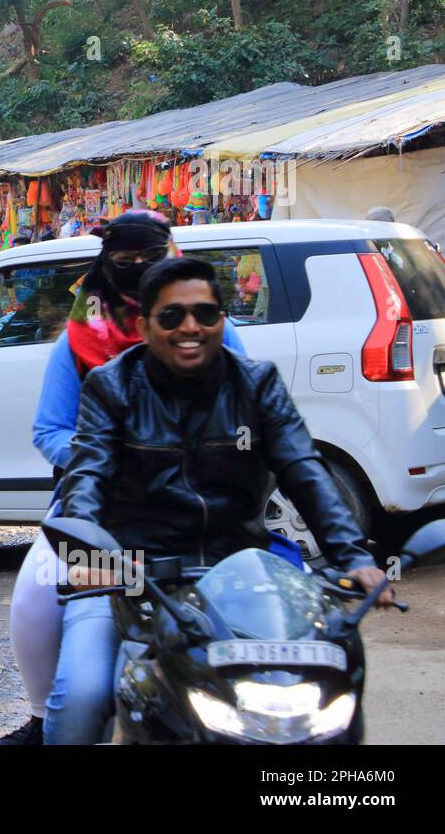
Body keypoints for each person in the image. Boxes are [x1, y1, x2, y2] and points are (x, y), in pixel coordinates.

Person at [44, 257, 390, 745]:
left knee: (318, 684)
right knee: (82, 694)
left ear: (222, 321)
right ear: (144, 326)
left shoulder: (257, 383)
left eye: (205, 314)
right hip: (137, 578)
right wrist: (88, 556)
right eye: (172, 316)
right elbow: (89, 475)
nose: (191, 327)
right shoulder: (112, 386)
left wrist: (353, 557)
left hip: (242, 576)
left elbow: (303, 468)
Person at [0, 210, 253, 745]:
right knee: (41, 608)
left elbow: (267, 435)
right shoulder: (84, 342)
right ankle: (44, 716)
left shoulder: (213, 331)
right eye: (125, 263)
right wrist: (111, 463)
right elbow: (50, 429)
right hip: (104, 517)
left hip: (201, 514)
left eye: (152, 262)